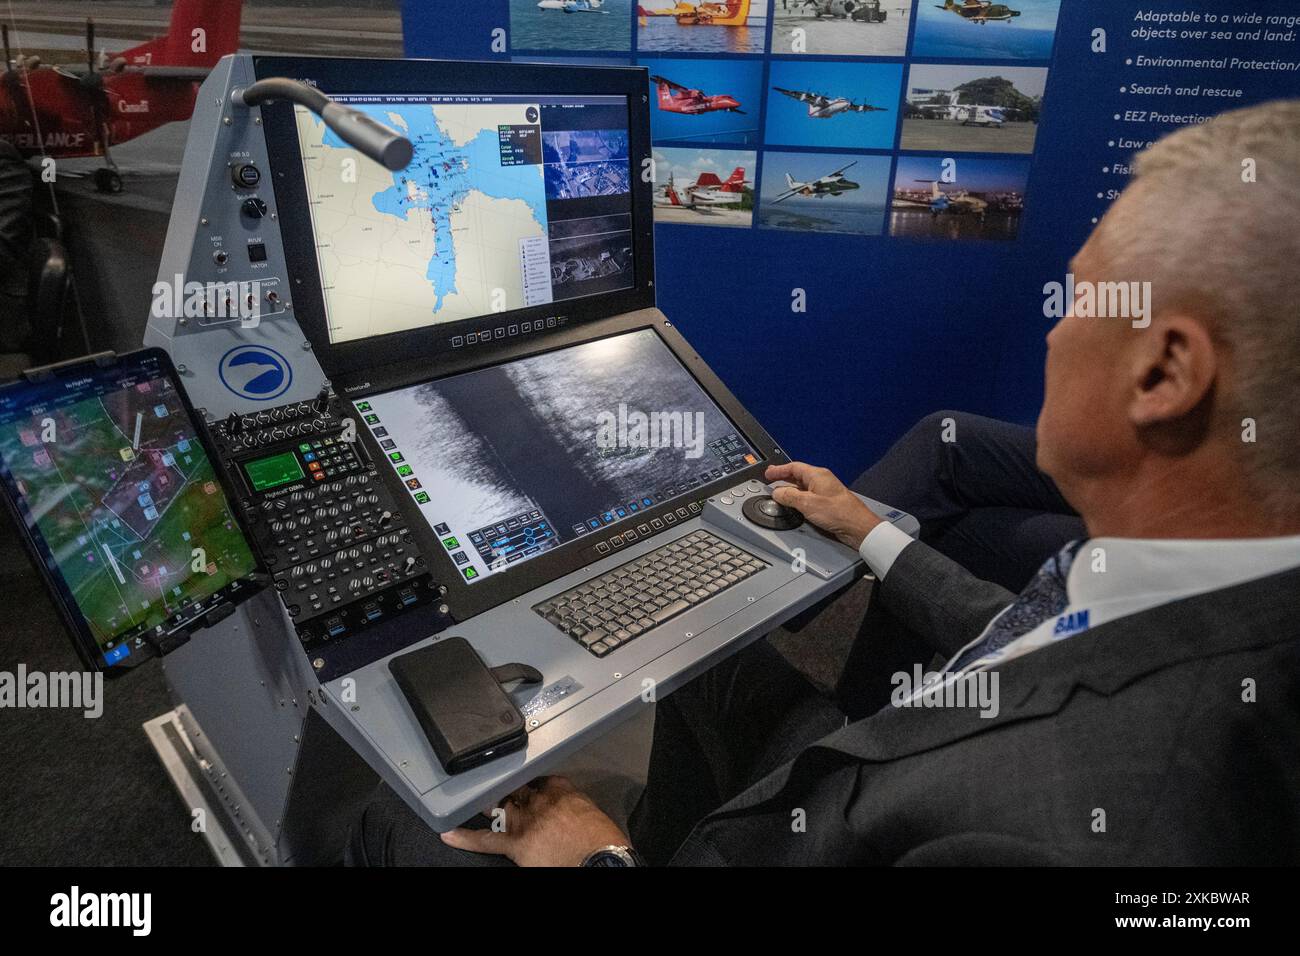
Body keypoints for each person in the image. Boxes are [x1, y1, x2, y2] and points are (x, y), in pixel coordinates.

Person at [350, 100, 1300, 866]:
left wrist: (599, 858)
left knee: (386, 821)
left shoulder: (1064, 825)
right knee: (707, 655)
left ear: (1165, 374)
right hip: (866, 768)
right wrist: (872, 532)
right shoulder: (1211, 592)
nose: (1054, 330)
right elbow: (1033, 634)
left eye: (1085, 297)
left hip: (852, 806)